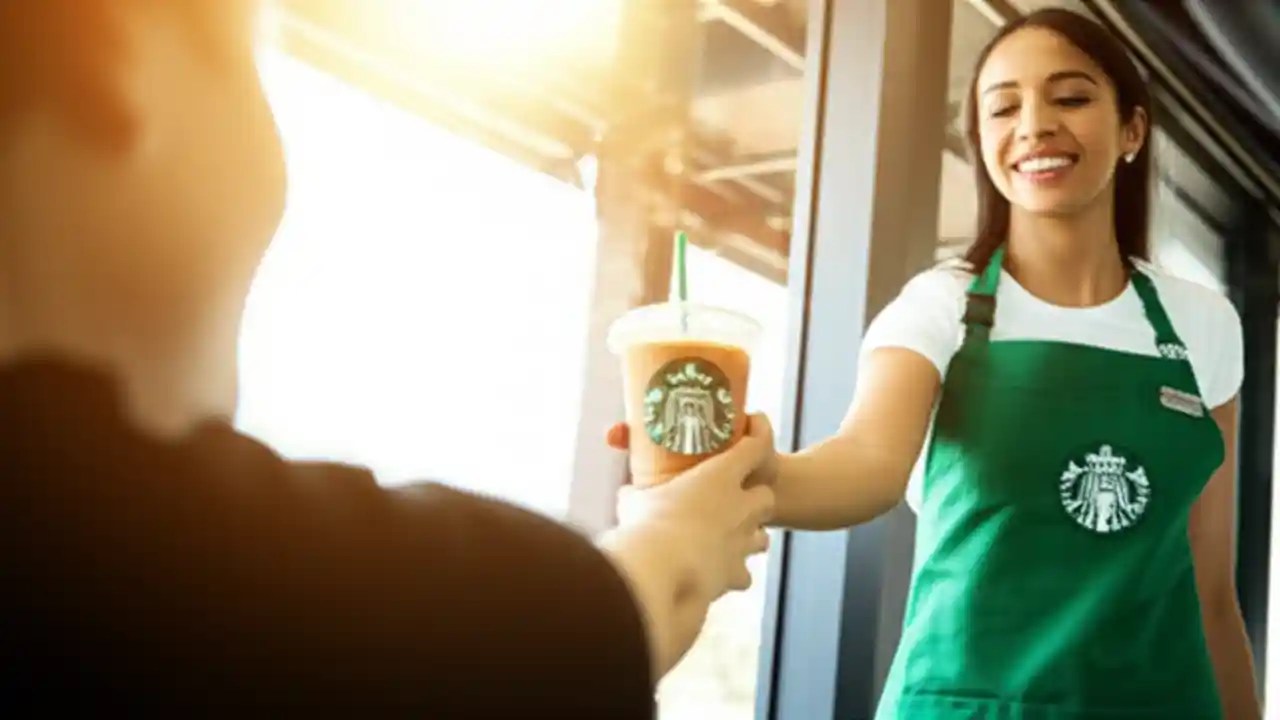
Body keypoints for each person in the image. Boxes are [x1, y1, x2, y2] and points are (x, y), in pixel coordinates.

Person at [0, 0, 775, 715]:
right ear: (117, 47)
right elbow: (600, 618)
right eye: (252, 61)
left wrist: (670, 544)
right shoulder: (185, 580)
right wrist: (682, 533)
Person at [614, 8, 1263, 719]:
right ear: (982, 141)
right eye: (1004, 107)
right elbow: (866, 462)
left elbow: (1210, 587)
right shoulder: (939, 305)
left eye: (1070, 97)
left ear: (1132, 130)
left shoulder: (1204, 326)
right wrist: (750, 469)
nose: (1035, 124)